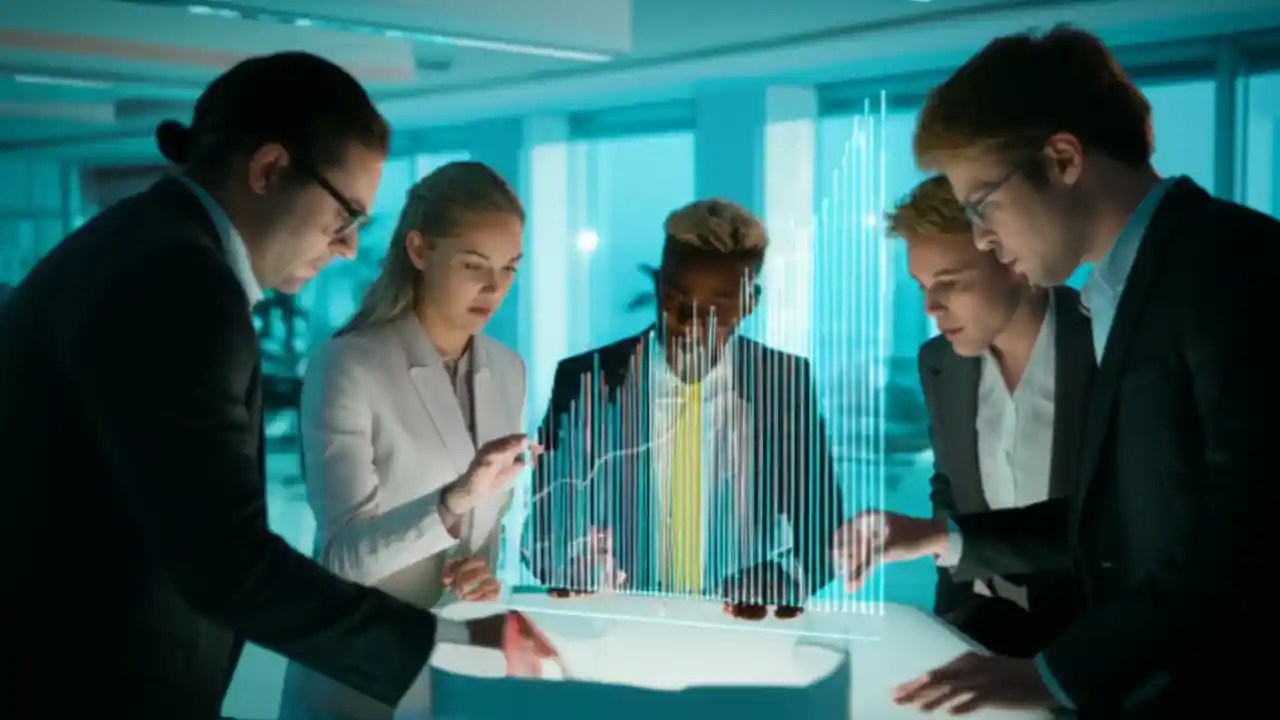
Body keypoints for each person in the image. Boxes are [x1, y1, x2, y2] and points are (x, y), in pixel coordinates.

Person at [0, 52, 550, 719]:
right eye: (345, 215)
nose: (348, 248)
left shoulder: (148, 250)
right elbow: (225, 560)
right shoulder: (177, 283)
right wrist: (445, 642)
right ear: (268, 170)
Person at [834, 25, 1268, 716]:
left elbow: (1248, 535)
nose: (983, 238)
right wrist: (944, 538)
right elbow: (1114, 519)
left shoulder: (1234, 267)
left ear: (1063, 160)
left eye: (982, 205)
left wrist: (1058, 673)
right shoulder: (1135, 291)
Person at [281, 161, 532, 720]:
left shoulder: (509, 370)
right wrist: (452, 502)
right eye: (474, 265)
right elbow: (344, 559)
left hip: (457, 662)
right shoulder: (348, 364)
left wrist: (478, 570)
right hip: (357, 668)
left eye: (509, 269)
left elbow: (486, 530)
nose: (495, 288)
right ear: (419, 250)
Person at [521, 198, 845, 619]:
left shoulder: (785, 382)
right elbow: (546, 516)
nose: (690, 320)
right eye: (676, 296)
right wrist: (570, 564)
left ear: (750, 303)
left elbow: (824, 532)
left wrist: (782, 578)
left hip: (743, 634)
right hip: (616, 628)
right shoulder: (584, 377)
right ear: (657, 287)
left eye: (717, 304)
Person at [887, 175, 1090, 657]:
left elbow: (1115, 521)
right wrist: (954, 614)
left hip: (1093, 645)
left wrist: (939, 537)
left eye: (950, 283)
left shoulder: (1108, 349)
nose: (931, 306)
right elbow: (950, 486)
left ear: (1013, 258)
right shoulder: (940, 361)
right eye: (922, 286)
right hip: (978, 630)